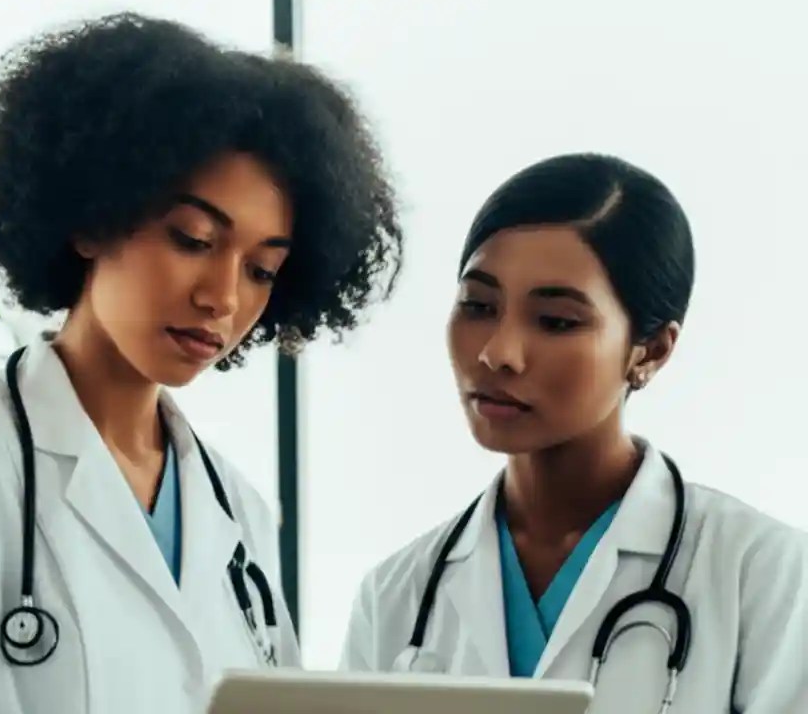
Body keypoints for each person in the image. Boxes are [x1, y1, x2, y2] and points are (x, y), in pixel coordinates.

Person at [0, 13, 403, 714]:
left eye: (263, 270)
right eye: (193, 239)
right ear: (90, 218)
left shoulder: (241, 516)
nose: (222, 298)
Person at [340, 153, 808, 712]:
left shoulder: (762, 573)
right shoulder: (397, 597)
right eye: (479, 305)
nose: (497, 353)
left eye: (556, 321)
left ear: (651, 350)